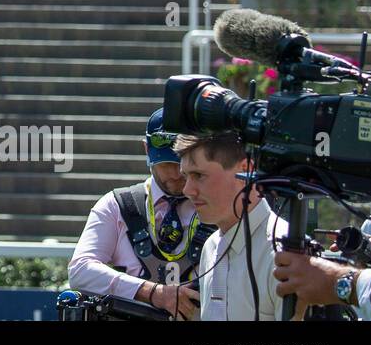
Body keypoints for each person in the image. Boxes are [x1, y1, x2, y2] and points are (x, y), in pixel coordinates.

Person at [68, 108, 212, 319]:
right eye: (165, 164)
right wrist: (152, 293)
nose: (175, 174)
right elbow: (80, 271)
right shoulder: (117, 205)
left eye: (182, 164)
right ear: (146, 150)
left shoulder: (216, 205)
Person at [175, 130, 286, 321]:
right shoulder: (210, 246)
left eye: (199, 175)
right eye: (186, 176)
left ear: (244, 170)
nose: (187, 190)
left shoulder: (282, 252)